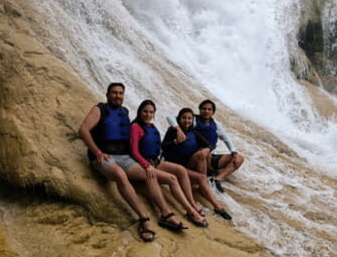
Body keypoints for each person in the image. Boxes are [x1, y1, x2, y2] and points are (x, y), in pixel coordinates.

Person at [78, 83, 187, 242]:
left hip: (123, 156)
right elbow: (83, 130)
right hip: (104, 156)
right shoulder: (99, 109)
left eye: (121, 93)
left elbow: (133, 139)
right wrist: (97, 152)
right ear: (108, 94)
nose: (118, 96)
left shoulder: (124, 111)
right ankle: (144, 219)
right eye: (114, 93)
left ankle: (165, 214)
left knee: (149, 173)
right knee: (120, 175)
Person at [129, 100, 208, 228]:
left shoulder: (152, 127)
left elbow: (158, 147)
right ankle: (191, 211)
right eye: (145, 111)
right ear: (139, 112)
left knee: (180, 170)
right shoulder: (135, 127)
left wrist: (176, 142)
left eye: (151, 112)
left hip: (155, 161)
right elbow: (134, 151)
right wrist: (146, 165)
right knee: (172, 178)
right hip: (144, 164)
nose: (148, 114)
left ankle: (191, 203)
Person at [163, 108, 232, 220]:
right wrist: (175, 142)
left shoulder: (193, 132)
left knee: (202, 154)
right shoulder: (172, 131)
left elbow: (208, 145)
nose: (187, 121)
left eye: (189, 118)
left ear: (192, 120)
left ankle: (203, 187)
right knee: (201, 177)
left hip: (187, 165)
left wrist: (207, 150)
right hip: (174, 166)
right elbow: (163, 147)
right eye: (184, 118)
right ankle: (217, 206)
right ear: (179, 119)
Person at [193, 99, 245, 193]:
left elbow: (226, 138)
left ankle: (216, 179)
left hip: (210, 156)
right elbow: (171, 118)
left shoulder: (216, 125)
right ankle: (204, 182)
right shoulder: (192, 119)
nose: (206, 111)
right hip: (196, 156)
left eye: (209, 109)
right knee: (206, 154)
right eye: (204, 109)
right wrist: (177, 128)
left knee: (239, 158)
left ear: (213, 112)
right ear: (200, 110)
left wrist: (234, 152)